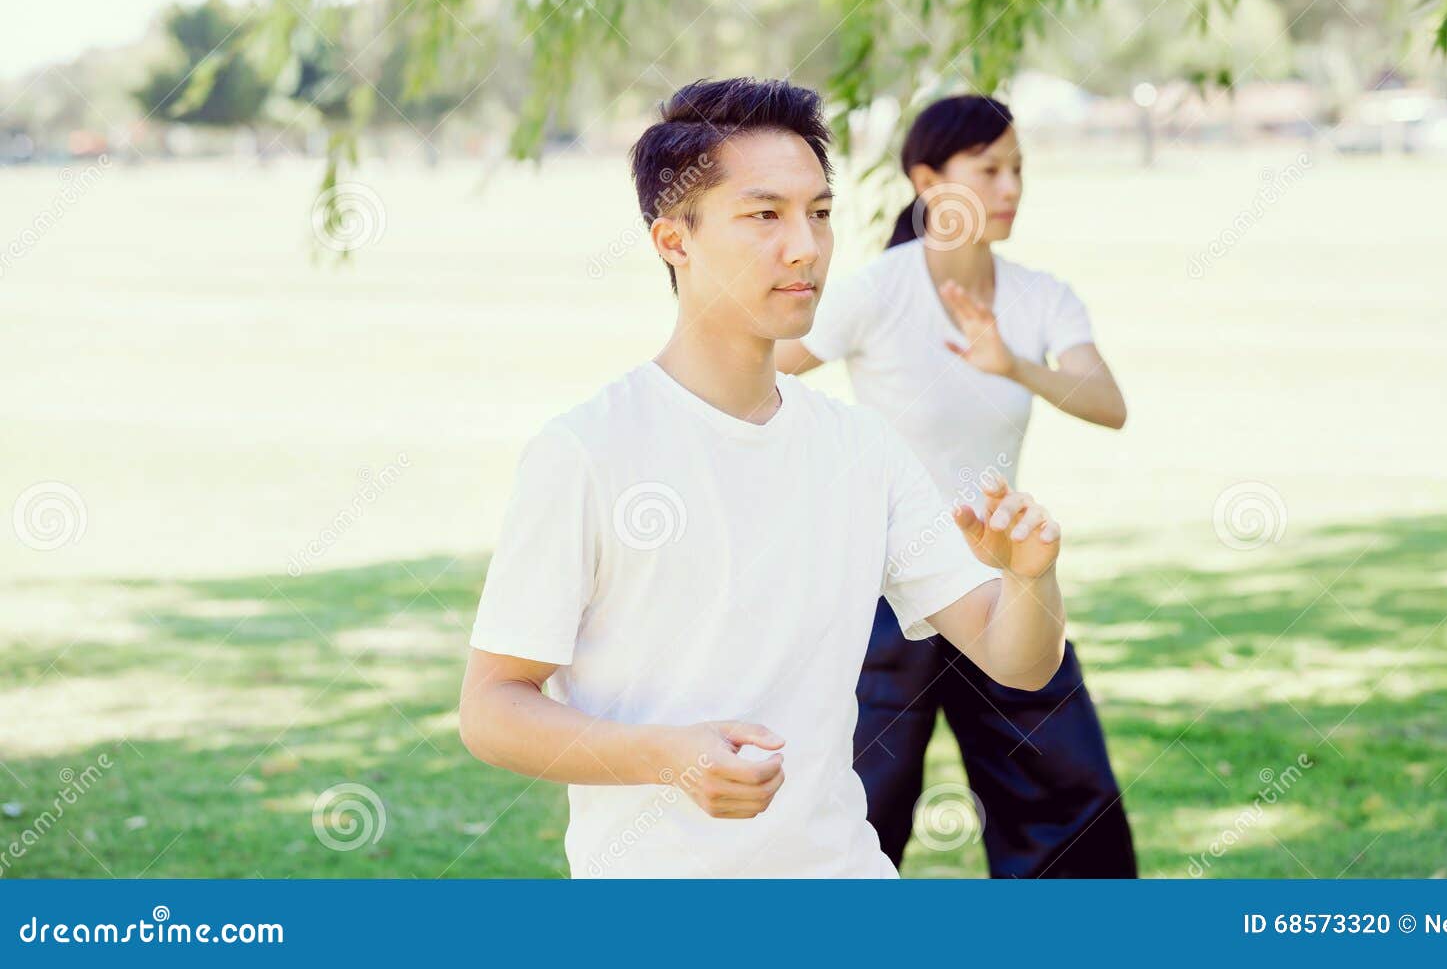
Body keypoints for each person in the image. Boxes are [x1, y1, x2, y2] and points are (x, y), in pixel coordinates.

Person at [458, 78, 1072, 878]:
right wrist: (665, 756)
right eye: (765, 215)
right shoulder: (586, 450)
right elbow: (492, 707)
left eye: (819, 213)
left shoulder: (863, 448)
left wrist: (1031, 579)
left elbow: (1016, 659)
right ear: (672, 239)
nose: (806, 247)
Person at [775, 94, 1137, 878]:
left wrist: (1012, 362)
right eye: (990, 169)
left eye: (1018, 170)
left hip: (995, 581)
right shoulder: (877, 290)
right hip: (882, 591)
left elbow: (1108, 404)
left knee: (1071, 802)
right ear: (928, 180)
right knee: (862, 804)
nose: (1010, 188)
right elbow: (759, 373)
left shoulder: (1040, 297)